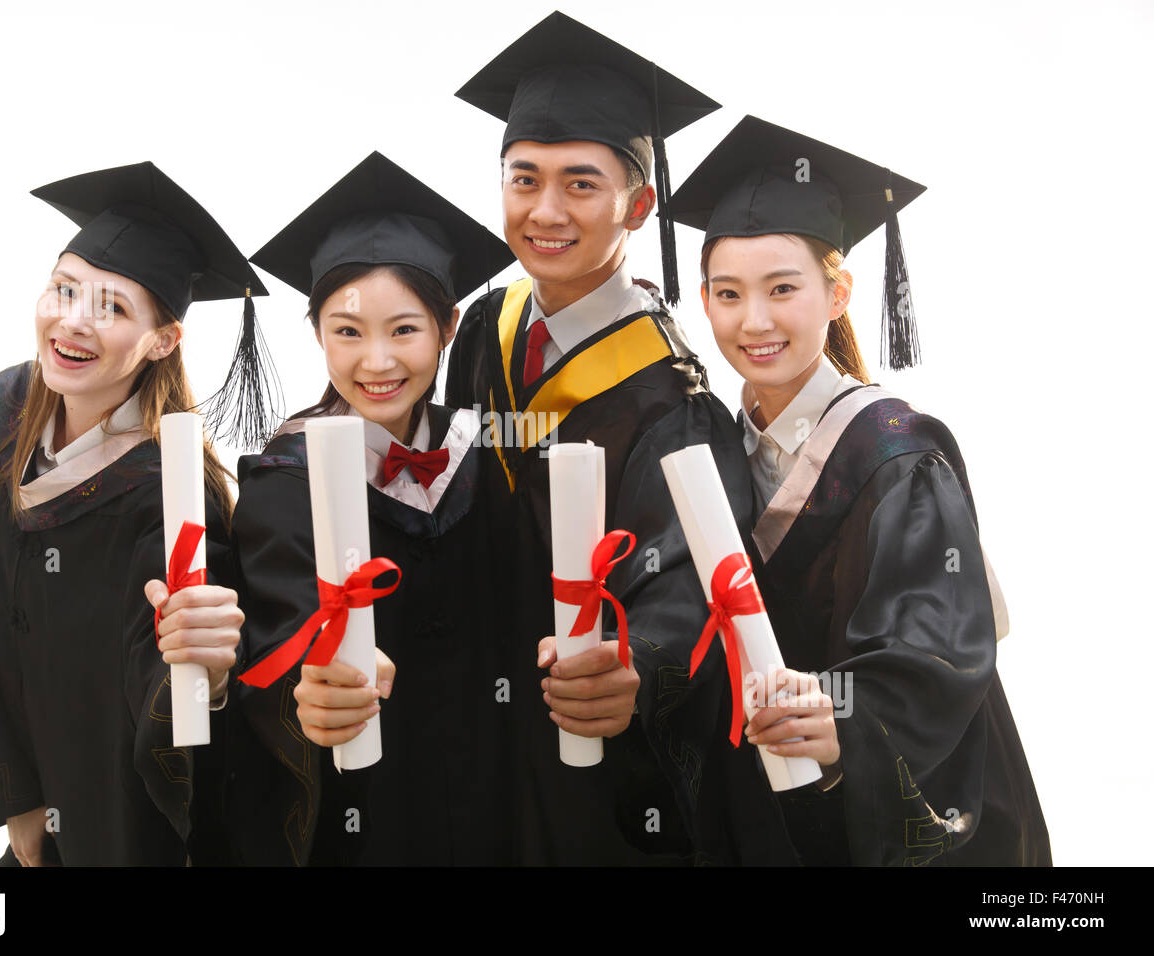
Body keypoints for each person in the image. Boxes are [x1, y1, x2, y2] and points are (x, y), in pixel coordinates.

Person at [445, 12, 789, 864]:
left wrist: (636, 665)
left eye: (581, 184)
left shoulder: (670, 396)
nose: (545, 210)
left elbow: (688, 568)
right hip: (473, 726)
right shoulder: (486, 325)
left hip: (592, 761)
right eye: (523, 180)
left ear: (638, 205)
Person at [671, 114, 1051, 865]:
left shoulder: (895, 450)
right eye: (726, 293)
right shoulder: (717, 444)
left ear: (838, 292)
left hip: (924, 813)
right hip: (794, 813)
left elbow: (938, 648)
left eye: (783, 289)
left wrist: (846, 717)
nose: (754, 321)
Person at [0, 161, 259, 865]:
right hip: (33, 791)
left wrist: (203, 670)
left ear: (163, 341)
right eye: (63, 289)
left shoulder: (174, 492)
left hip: (121, 811)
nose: (72, 321)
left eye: (112, 307)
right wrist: (14, 795)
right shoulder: (4, 409)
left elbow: (168, 691)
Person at [223, 152, 519, 864]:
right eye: (348, 332)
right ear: (317, 331)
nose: (377, 362)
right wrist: (313, 680)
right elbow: (281, 617)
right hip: (363, 814)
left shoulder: (494, 453)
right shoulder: (283, 476)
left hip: (498, 800)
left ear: (449, 327)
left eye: (405, 330)